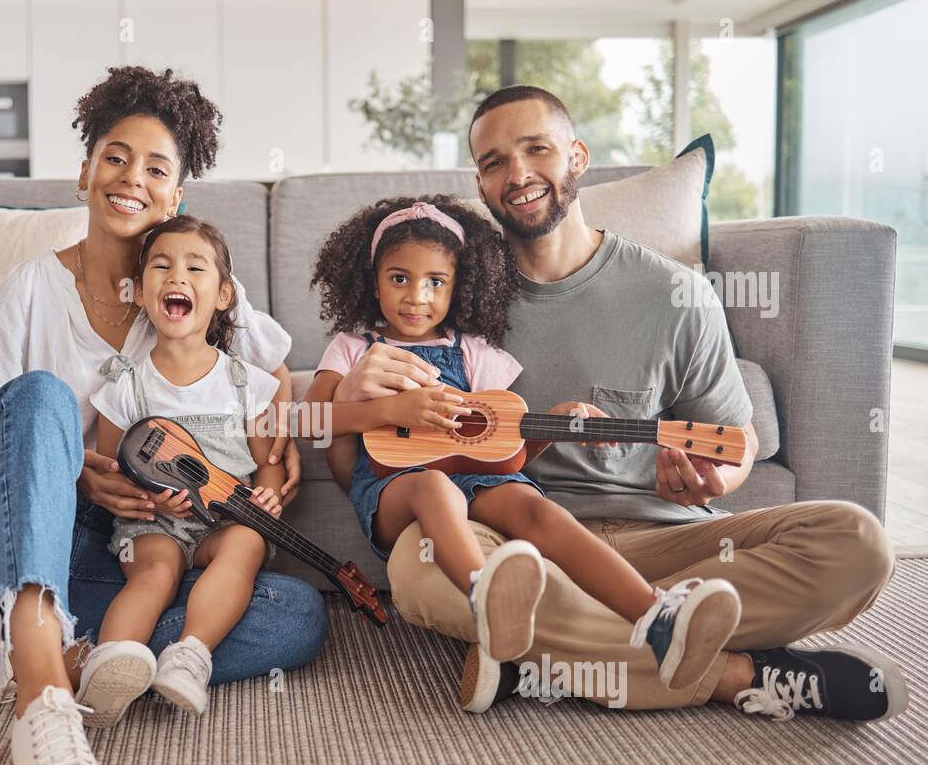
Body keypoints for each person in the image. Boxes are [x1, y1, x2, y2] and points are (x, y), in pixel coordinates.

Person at [328, 85, 905, 723]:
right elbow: (361, 459)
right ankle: (734, 670)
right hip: (510, 539)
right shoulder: (453, 298)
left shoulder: (673, 293)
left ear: (576, 157)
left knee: (856, 542)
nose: (517, 173)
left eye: (536, 149)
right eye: (494, 162)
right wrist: (353, 405)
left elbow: (732, 445)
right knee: (420, 565)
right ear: (482, 184)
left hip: (661, 536)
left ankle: (541, 654)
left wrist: (709, 479)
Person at [0, 68, 327, 765]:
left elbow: (273, 372)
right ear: (86, 171)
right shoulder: (30, 288)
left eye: (158, 169)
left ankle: (43, 646)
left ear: (177, 196)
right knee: (42, 398)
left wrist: (280, 452)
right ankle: (43, 696)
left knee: (296, 611)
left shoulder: (194, 283)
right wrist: (77, 476)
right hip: (1, 541)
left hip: (126, 552)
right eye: (116, 157)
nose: (133, 179)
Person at [306, 196, 742, 707]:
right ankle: (484, 595)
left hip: (476, 479)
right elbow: (309, 422)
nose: (416, 297)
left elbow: (502, 448)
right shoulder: (352, 348)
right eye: (399, 278)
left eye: (435, 282)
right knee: (434, 486)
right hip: (392, 488)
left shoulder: (472, 351)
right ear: (371, 279)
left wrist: (558, 422)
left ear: (456, 286)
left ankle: (659, 618)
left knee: (537, 509)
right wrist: (386, 412)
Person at [88, 216, 286, 721]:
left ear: (223, 296)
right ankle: (108, 668)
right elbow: (115, 467)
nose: (176, 277)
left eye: (194, 268)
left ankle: (189, 655)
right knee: (155, 572)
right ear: (139, 291)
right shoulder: (127, 384)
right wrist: (149, 499)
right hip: (152, 522)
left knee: (247, 544)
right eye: (161, 266)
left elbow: (268, 462)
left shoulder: (244, 382)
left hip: (224, 522)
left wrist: (268, 496)